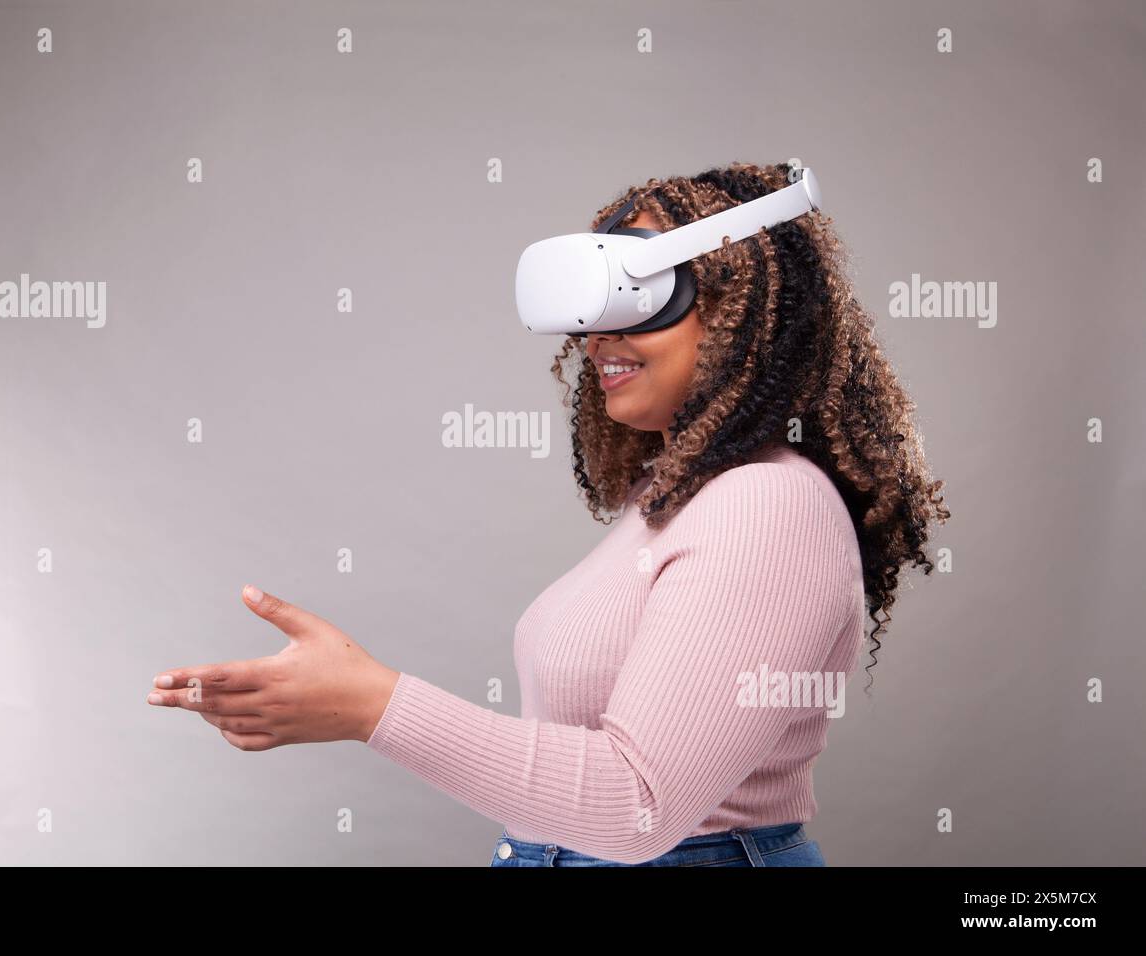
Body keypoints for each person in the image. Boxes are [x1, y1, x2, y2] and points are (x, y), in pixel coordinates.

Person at [145, 161, 950, 867]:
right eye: (596, 304)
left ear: (751, 314)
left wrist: (371, 704)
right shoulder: (680, 497)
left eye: (644, 295)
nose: (600, 333)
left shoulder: (769, 504)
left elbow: (639, 804)